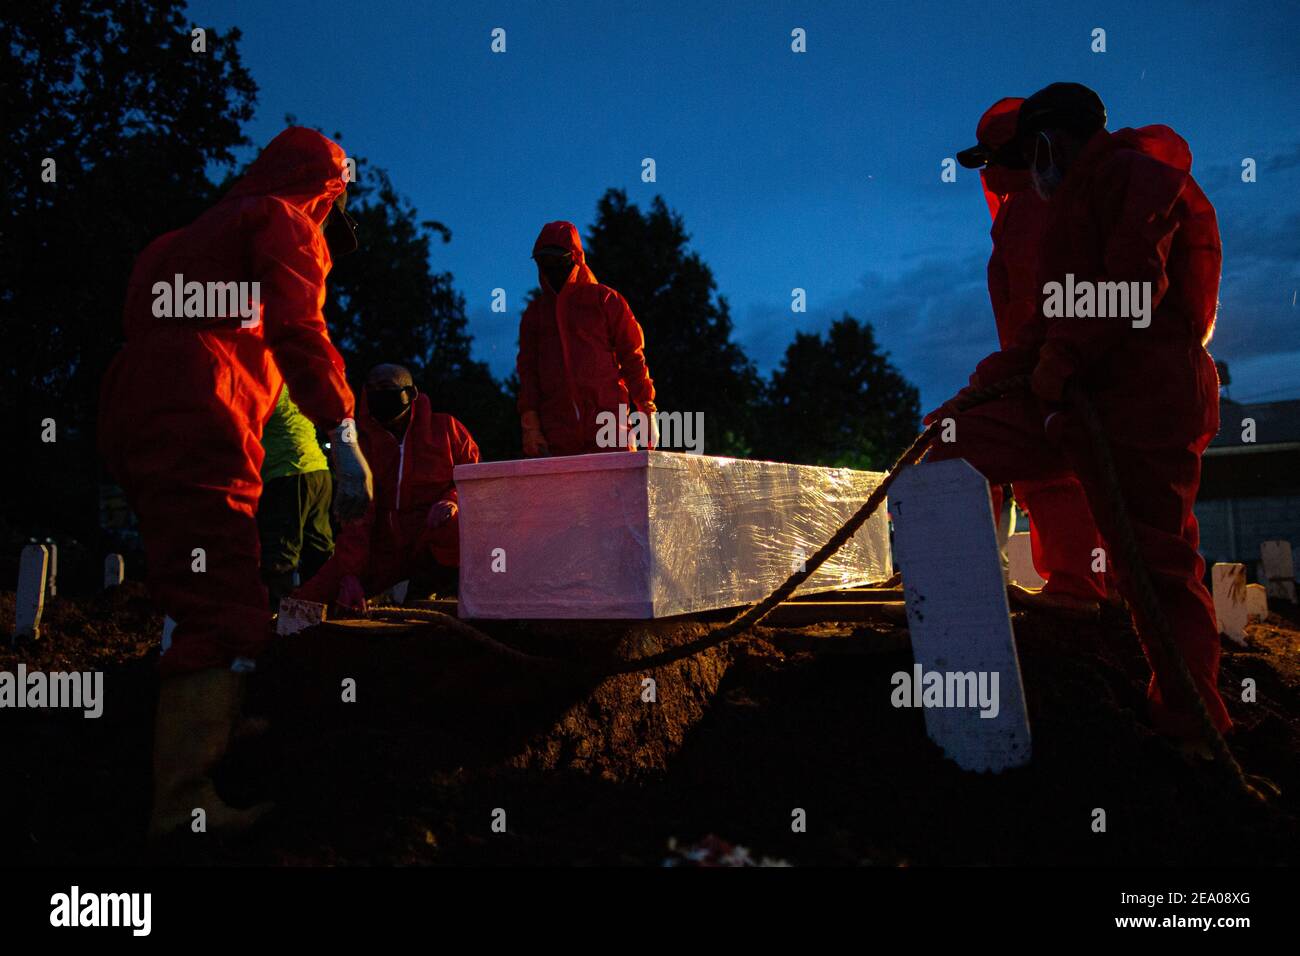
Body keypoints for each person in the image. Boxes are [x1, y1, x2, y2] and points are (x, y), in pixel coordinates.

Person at [927, 83, 1230, 742]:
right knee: (953, 445)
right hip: (1071, 396)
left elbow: (1129, 288)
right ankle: (962, 651)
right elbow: (1038, 326)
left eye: (1019, 157)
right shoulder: (1062, 206)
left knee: (1158, 569)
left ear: (1045, 143)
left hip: (1145, 400)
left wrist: (1060, 360)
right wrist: (979, 394)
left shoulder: (1134, 178)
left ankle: (1193, 727)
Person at [99, 127, 373, 839]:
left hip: (132, 410)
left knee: (197, 581)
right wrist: (343, 435)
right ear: (326, 191)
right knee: (220, 599)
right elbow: (299, 330)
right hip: (202, 411)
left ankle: (215, 718)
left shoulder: (176, 241)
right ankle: (183, 803)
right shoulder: (284, 222)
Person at [952, 97, 1109, 618]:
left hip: (1068, 381)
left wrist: (1039, 370)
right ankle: (1093, 588)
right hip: (1053, 376)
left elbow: (1051, 312)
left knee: (955, 448)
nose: (990, 173)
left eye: (995, 157)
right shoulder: (1034, 213)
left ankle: (961, 596)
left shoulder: (1040, 214)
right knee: (1067, 477)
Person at [296, 363, 480, 612]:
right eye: (371, 390)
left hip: (428, 540)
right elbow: (358, 518)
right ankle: (276, 633)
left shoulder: (446, 430)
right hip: (381, 549)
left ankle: (437, 588)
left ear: (411, 393)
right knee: (310, 598)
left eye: (386, 388)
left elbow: (474, 481)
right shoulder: (360, 442)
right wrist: (350, 574)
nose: (378, 396)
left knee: (455, 525)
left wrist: (452, 500)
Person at [516, 221, 657, 457]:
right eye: (544, 262)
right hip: (558, 437)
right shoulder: (535, 315)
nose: (552, 269)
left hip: (611, 431)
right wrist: (531, 425)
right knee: (568, 495)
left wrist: (646, 409)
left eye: (558, 261)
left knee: (618, 493)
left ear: (575, 258)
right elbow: (528, 374)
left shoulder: (606, 301)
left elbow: (633, 357)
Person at [257, 386, 335, 610]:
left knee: (280, 555)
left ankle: (278, 626)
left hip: (286, 472)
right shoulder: (293, 382)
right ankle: (321, 618)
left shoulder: (265, 381)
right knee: (319, 551)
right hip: (318, 471)